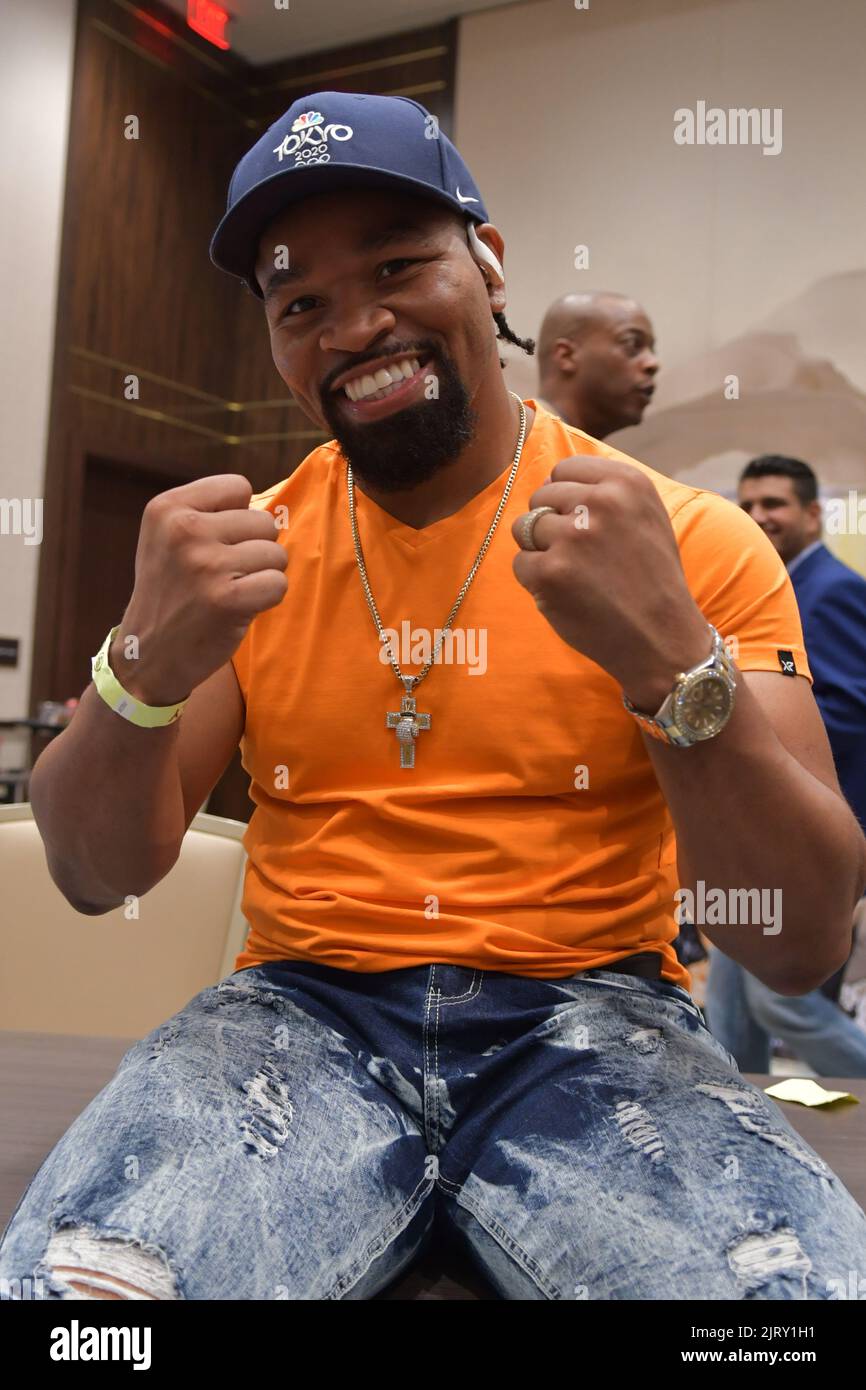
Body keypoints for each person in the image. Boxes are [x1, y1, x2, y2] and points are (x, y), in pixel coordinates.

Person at [2, 92, 866, 1302]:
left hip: (592, 1021)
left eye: (401, 265)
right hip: (295, 1018)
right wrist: (137, 665)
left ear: (491, 265)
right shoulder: (252, 552)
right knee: (78, 1317)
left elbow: (796, 939)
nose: (356, 326)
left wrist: (673, 668)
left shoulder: (689, 541)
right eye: (300, 303)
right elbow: (98, 876)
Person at [706, 455, 866, 1075]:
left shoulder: (833, 590)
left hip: (806, 829)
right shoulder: (771, 585)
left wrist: (734, 717)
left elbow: (848, 713)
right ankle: (739, 1126)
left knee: (783, 1003)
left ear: (813, 514)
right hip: (750, 832)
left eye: (774, 504)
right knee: (729, 1009)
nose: (758, 517)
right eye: (747, 505)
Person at [535, 291, 658, 436]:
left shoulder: (580, 451)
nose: (653, 363)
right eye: (632, 343)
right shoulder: (516, 444)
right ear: (566, 356)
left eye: (652, 350)